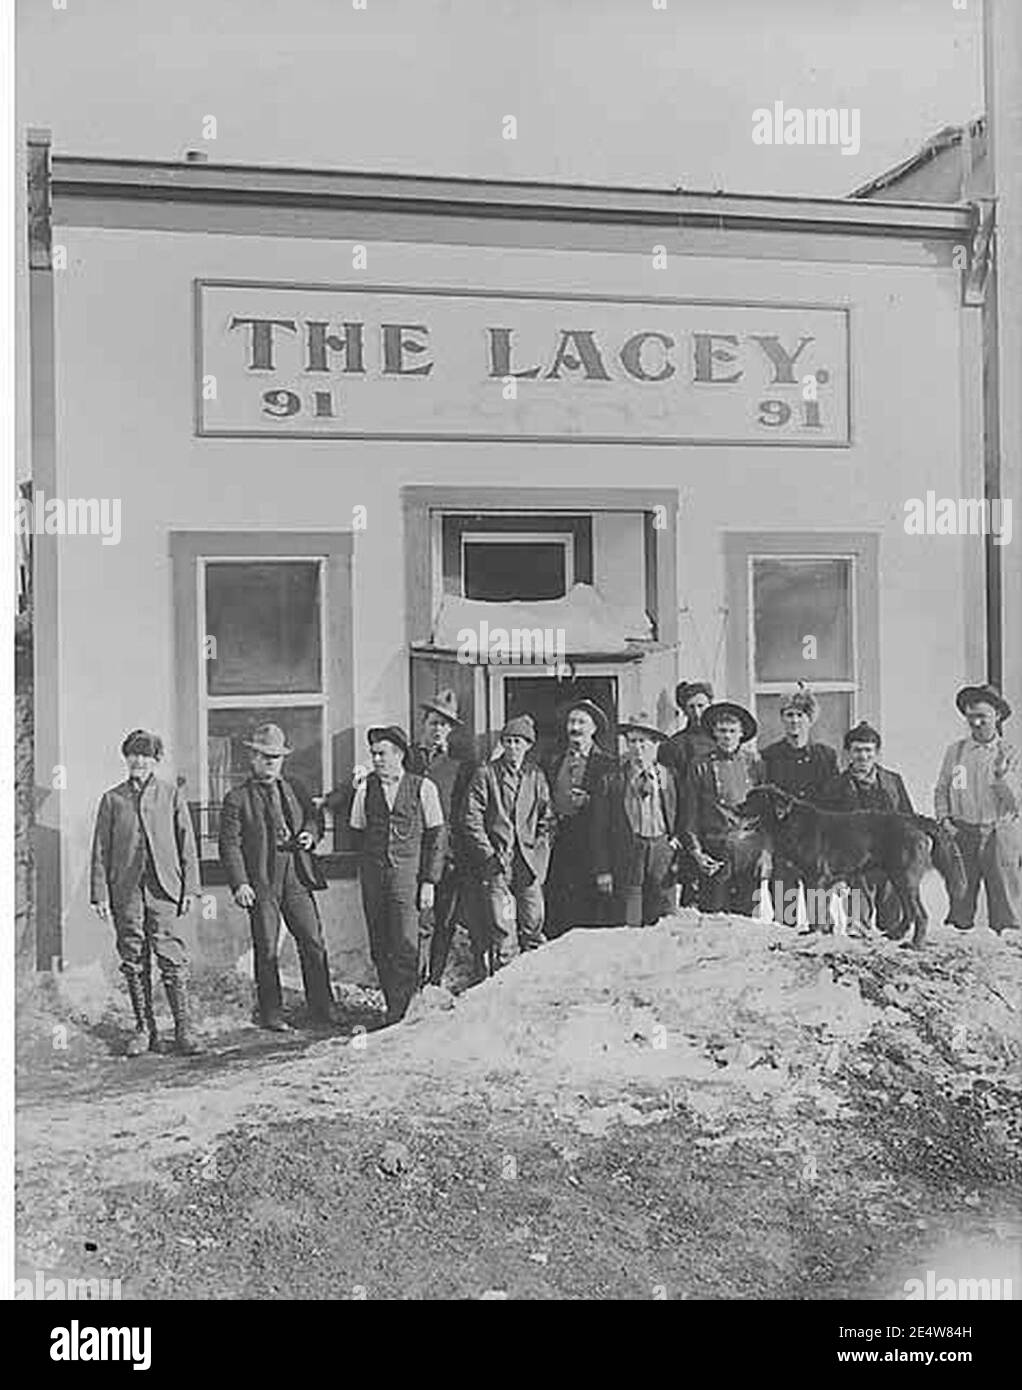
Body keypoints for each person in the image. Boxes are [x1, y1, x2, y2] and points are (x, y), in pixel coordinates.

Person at [90, 728, 202, 1056]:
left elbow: (187, 844)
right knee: (134, 957)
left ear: (156, 760)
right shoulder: (112, 799)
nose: (139, 760)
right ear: (126, 758)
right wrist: (100, 894)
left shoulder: (170, 795)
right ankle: (144, 1029)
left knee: (171, 956)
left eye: (146, 755)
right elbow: (100, 850)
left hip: (165, 888)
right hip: (126, 890)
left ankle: (183, 1029)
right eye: (133, 754)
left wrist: (191, 888)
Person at [218, 722, 335, 1033]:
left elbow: (314, 817)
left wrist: (310, 835)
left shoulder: (296, 787)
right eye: (264, 756)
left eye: (276, 757)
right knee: (267, 948)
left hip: (296, 876)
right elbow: (229, 845)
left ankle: (323, 1008)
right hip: (262, 881)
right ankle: (272, 1013)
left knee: (313, 942)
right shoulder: (237, 798)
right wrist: (241, 883)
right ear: (252, 758)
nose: (270, 762)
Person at [349, 725, 446, 1023]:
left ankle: (404, 1012)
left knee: (407, 943)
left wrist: (429, 881)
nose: (376, 760)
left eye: (382, 754)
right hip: (375, 879)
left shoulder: (423, 788)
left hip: (409, 877)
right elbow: (357, 834)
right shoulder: (365, 790)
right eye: (374, 754)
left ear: (399, 755)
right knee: (381, 943)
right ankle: (393, 1007)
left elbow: (437, 838)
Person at [462, 714, 555, 976]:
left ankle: (534, 985)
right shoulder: (486, 774)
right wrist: (488, 854)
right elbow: (471, 817)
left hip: (528, 866)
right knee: (504, 927)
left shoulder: (536, 775)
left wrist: (540, 855)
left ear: (528, 745)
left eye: (519, 742)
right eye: (509, 742)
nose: (513, 748)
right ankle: (505, 987)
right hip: (498, 867)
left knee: (533, 922)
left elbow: (547, 819)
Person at [934, 684, 1021, 935]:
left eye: (983, 716)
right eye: (971, 717)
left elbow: (1015, 804)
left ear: (998, 716)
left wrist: (1001, 775)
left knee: (1005, 906)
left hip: (999, 835)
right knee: (960, 903)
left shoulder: (1012, 753)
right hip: (962, 834)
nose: (977, 722)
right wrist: (945, 820)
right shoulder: (957, 751)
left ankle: (1007, 961)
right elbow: (942, 789)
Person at [408, 689, 474, 987]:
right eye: (434, 722)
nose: (438, 730)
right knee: (418, 922)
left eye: (444, 725)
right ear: (424, 723)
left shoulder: (460, 766)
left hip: (447, 855)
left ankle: (433, 981)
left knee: (444, 921)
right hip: (411, 853)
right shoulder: (406, 758)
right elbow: (370, 781)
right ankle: (414, 982)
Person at [822, 721, 914, 934]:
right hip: (855, 864)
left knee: (892, 924)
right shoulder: (835, 787)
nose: (862, 756)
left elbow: (907, 819)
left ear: (877, 753)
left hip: (890, 860)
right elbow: (827, 833)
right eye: (857, 750)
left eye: (868, 750)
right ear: (848, 753)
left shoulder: (892, 781)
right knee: (857, 926)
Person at [761, 683, 839, 930]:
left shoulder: (825, 756)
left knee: (820, 917)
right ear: (782, 719)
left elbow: (834, 804)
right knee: (784, 916)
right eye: (789, 715)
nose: (794, 721)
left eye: (800, 715)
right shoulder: (769, 756)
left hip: (816, 845)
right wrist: (768, 848)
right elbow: (765, 805)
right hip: (784, 847)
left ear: (810, 719)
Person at [681, 702, 764, 915]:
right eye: (722, 731)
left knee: (748, 919)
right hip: (715, 851)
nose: (727, 736)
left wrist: (766, 852)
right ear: (714, 734)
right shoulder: (700, 765)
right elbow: (690, 814)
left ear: (741, 734)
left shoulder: (755, 763)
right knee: (715, 918)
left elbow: (766, 812)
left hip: (749, 853)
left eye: (732, 731)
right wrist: (697, 853)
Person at [543, 699, 618, 936]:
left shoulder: (607, 764)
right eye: (571, 721)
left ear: (594, 728)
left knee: (589, 902)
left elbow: (615, 808)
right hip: (558, 839)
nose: (575, 727)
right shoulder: (552, 760)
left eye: (582, 722)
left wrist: (590, 801)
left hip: (590, 841)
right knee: (558, 897)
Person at [603, 715, 680, 927]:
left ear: (655, 745)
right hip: (629, 848)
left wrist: (674, 841)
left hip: (660, 848)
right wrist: (603, 868)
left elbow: (677, 811)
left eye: (643, 742)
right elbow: (601, 826)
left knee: (662, 911)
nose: (637, 748)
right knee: (630, 912)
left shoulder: (665, 775)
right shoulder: (615, 778)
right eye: (632, 741)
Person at [659, 681, 715, 906]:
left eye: (702, 705)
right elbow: (668, 790)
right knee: (691, 888)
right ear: (683, 710)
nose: (697, 712)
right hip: (687, 821)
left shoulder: (721, 740)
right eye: (691, 707)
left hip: (716, 824)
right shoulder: (674, 746)